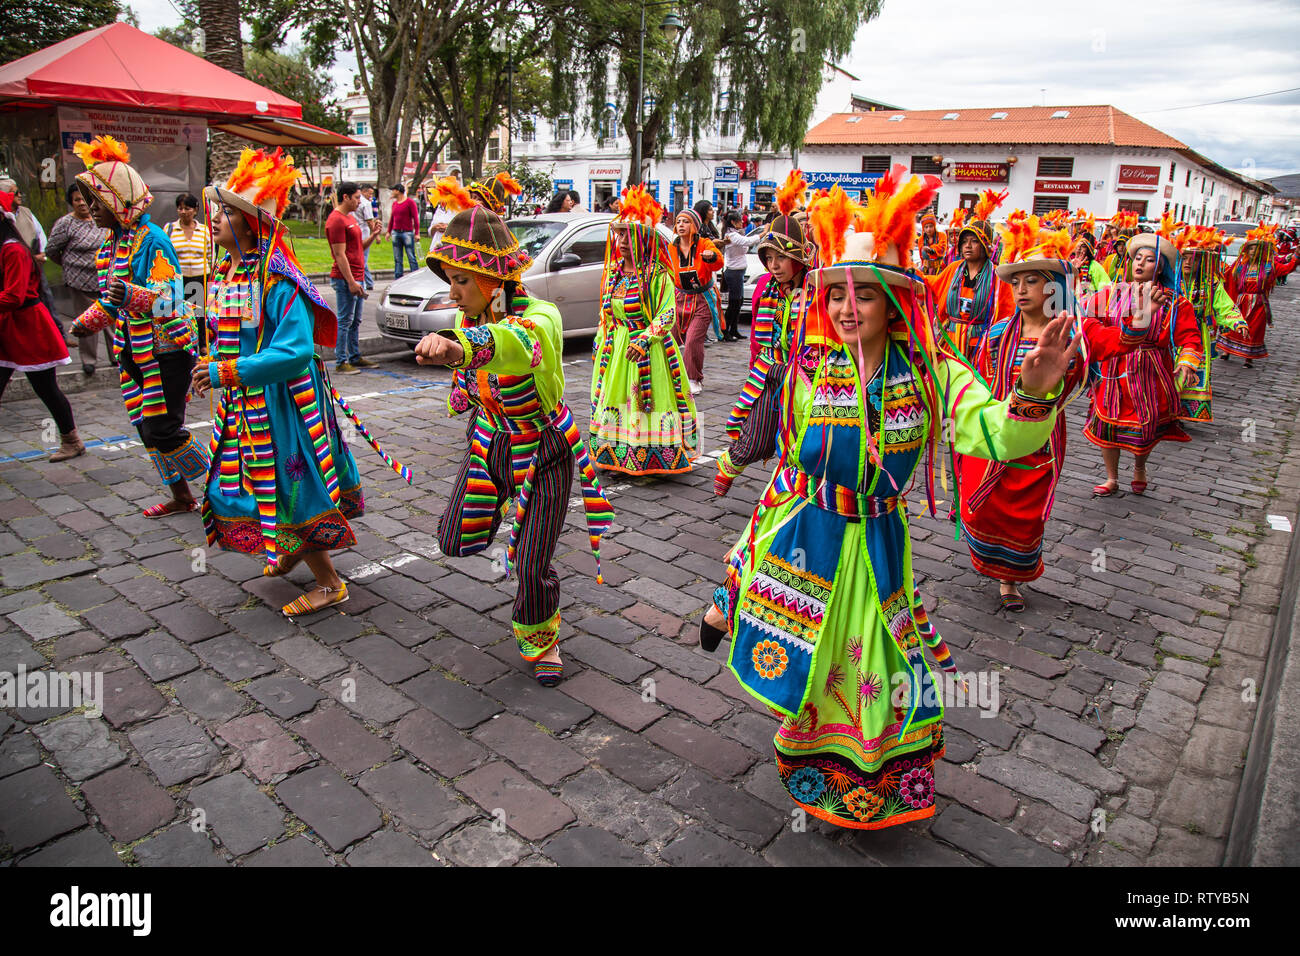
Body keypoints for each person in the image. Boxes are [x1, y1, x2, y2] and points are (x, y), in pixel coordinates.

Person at [697, 173, 1078, 830]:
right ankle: (823, 778)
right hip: (805, 543)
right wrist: (730, 588)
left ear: (894, 302)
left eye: (865, 295)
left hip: (878, 553)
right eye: (838, 293)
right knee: (813, 671)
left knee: (879, 667)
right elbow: (785, 479)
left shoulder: (931, 371)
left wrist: (1035, 391)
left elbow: (1001, 435)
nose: (848, 308)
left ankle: (873, 788)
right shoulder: (811, 365)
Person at [413, 176, 613, 686]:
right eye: (450, 279)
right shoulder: (468, 314)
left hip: (543, 451)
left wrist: (460, 346)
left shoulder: (539, 315)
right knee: (454, 540)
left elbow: (519, 342)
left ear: (493, 280)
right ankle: (505, 516)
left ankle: (541, 636)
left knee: (530, 561)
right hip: (488, 444)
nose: (453, 291)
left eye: (462, 281)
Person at [192, 147, 369, 617]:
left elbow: (293, 352)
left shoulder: (277, 277)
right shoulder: (232, 270)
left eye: (225, 212)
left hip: (283, 402)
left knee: (291, 484)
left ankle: (330, 583)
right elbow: (229, 332)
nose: (214, 219)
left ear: (251, 223)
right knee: (249, 481)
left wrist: (225, 372)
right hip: (248, 402)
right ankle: (287, 548)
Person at [960, 214, 1146, 611]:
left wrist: (1140, 313)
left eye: (1033, 280)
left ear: (1054, 286)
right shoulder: (996, 335)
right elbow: (974, 381)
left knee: (1025, 510)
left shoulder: (1074, 333)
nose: (1022, 289)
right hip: (996, 430)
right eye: (1017, 281)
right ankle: (990, 558)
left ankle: (1012, 578)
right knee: (986, 504)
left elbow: (1122, 342)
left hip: (1041, 438)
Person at [68, 136, 208, 515]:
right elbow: (114, 299)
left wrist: (130, 295)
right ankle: (183, 496)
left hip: (167, 351)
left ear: (119, 201)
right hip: (134, 350)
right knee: (146, 430)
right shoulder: (112, 245)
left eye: (97, 202)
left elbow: (173, 300)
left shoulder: (155, 240)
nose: (91, 210)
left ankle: (222, 485)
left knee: (163, 429)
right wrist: (87, 323)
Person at [589, 185, 699, 475]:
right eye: (621, 234)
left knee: (643, 402)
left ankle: (651, 457)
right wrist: (600, 344)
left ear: (645, 239)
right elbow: (607, 314)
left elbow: (667, 314)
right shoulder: (613, 272)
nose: (623, 241)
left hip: (648, 352)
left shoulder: (657, 274)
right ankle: (616, 455)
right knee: (615, 400)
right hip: (616, 352)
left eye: (631, 235)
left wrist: (645, 339)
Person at [715, 170, 811, 497]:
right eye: (769, 257)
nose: (774, 265)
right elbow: (757, 339)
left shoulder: (819, 292)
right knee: (755, 438)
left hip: (810, 381)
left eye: (781, 257)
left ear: (798, 256)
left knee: (804, 445)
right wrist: (757, 373)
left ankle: (788, 496)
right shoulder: (764, 293)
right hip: (770, 374)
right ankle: (730, 463)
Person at [1084, 230, 1202, 496]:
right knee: (1108, 423)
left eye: (1149, 260)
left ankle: (1139, 468)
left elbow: (1190, 336)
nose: (1140, 263)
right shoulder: (1110, 295)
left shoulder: (1174, 302)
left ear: (1159, 268)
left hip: (1150, 369)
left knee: (1146, 427)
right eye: (1137, 258)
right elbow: (1092, 323)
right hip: (1114, 369)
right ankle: (1111, 477)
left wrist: (1187, 361)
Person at [0, 191, 83, 461]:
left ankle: (72, 440)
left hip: (30, 327)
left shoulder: (12, 249)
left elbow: (13, 296)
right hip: (9, 325)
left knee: (46, 388)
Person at [927, 188, 1014, 361]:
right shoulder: (954, 269)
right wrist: (910, 275)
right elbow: (933, 285)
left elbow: (1008, 313)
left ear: (986, 246)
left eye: (974, 241)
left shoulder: (998, 277)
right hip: (949, 344)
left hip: (980, 347)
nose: (968, 246)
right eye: (964, 241)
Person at [1175, 224, 1244, 418]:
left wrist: (1237, 322)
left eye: (1193, 260)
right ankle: (1168, 411)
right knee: (1171, 371)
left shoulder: (1211, 284)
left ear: (1201, 262)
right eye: (1184, 259)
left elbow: (1224, 305)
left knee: (1192, 371)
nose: (1188, 263)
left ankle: (1182, 413)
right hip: (1173, 334)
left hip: (1198, 335)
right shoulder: (1171, 282)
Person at [46, 184, 111, 374]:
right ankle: (89, 360)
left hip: (105, 278)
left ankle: (116, 356)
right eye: (77, 200)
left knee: (111, 318)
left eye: (85, 199)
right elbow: (52, 250)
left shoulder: (101, 219)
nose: (82, 204)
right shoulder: (65, 223)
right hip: (79, 280)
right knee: (87, 319)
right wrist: (69, 264)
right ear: (71, 202)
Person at [670, 207, 723, 394]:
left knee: (693, 340)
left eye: (685, 221)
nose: (681, 225)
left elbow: (719, 262)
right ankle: (670, 376)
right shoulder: (672, 247)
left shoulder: (705, 244)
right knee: (670, 338)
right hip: (679, 298)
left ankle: (694, 378)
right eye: (678, 222)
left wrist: (711, 257)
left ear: (694, 225)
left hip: (702, 299)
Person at [1217, 223, 1282, 369]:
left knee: (1254, 329)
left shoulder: (1268, 267)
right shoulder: (1240, 265)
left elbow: (1285, 267)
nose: (1253, 251)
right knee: (1234, 324)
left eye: (1256, 249)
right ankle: (1227, 351)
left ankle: (1249, 358)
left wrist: (1296, 256)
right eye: (1251, 248)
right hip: (1241, 301)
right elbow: (1227, 275)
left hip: (1258, 303)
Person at [326, 182, 374, 374]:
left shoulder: (350, 217)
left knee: (356, 320)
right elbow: (339, 254)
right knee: (345, 320)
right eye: (356, 197)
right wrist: (351, 281)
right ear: (345, 197)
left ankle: (355, 355)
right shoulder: (336, 220)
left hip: (358, 275)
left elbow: (358, 247)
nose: (359, 201)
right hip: (346, 278)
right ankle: (341, 360)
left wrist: (374, 234)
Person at [0, 179, 57, 328]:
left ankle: (58, 330)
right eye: (15, 192)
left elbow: (14, 297)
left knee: (46, 297)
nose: (19, 195)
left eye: (18, 191)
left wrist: (41, 255)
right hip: (12, 321)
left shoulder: (13, 250)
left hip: (26, 323)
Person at [163, 193, 213, 353]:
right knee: (180, 312)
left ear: (195, 209)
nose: (183, 212)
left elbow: (211, 255)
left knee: (199, 313)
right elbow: (165, 254)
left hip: (199, 278)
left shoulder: (204, 231)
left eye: (187, 208)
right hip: (179, 279)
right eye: (180, 208)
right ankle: (183, 343)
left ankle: (203, 345)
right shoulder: (170, 229)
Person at [720, 209, 762, 342]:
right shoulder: (731, 235)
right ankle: (725, 331)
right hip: (733, 272)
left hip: (739, 271)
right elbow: (748, 242)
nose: (742, 224)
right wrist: (763, 234)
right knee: (733, 303)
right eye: (740, 221)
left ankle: (734, 329)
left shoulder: (736, 234)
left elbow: (744, 248)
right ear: (733, 222)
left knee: (739, 302)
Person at [388, 182, 420, 278]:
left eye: (393, 190)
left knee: (411, 255)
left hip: (407, 232)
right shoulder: (394, 204)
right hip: (396, 232)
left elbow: (415, 218)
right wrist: (388, 232)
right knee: (397, 257)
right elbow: (392, 218)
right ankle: (398, 276)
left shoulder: (410, 202)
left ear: (398, 191)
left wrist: (417, 233)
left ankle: (415, 275)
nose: (392, 192)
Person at [356, 185, 380, 290]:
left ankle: (368, 282)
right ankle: (368, 282)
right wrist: (376, 235)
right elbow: (370, 221)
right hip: (364, 234)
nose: (371, 196)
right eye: (369, 193)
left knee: (361, 259)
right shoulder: (365, 204)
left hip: (357, 233)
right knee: (363, 260)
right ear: (363, 192)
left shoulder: (356, 202)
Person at [916, 212, 945, 277]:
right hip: (926, 269)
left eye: (931, 226)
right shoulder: (921, 239)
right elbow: (922, 256)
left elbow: (942, 248)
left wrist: (931, 250)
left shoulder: (941, 235)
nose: (928, 229)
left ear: (934, 226)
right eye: (926, 227)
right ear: (923, 229)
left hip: (939, 269)